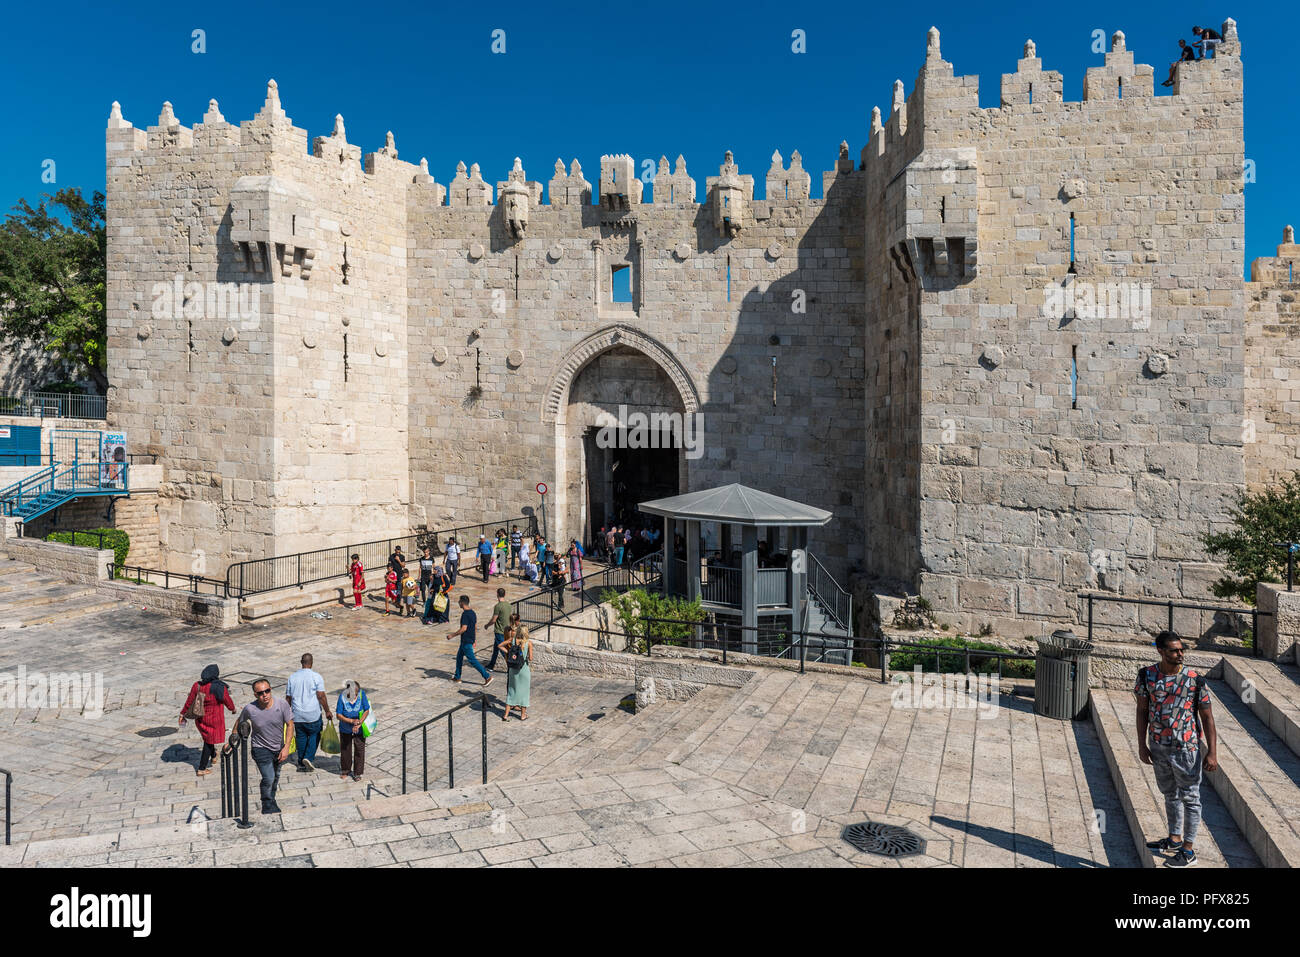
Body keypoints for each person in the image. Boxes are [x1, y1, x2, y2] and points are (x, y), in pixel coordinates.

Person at [1135, 631, 1219, 868]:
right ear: (1160, 651)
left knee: (1191, 797)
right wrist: (1142, 745)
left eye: (1182, 650)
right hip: (1159, 746)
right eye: (1174, 650)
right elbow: (1142, 711)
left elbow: (1208, 718)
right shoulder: (1147, 676)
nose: (1180, 654)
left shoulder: (1195, 680)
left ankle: (1189, 850)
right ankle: (1174, 838)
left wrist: (1212, 752)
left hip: (1187, 749)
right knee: (1169, 794)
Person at [235, 679, 294, 815]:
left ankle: (271, 800)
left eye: (267, 691)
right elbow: (240, 721)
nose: (265, 695)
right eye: (261, 693)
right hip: (260, 747)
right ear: (255, 695)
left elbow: (290, 724)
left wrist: (286, 747)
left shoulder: (282, 704)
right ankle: (266, 803)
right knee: (269, 777)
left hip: (278, 747)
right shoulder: (250, 709)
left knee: (276, 776)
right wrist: (232, 738)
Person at [179, 664, 236, 776]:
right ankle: (201, 768)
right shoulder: (220, 687)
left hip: (201, 719)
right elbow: (227, 700)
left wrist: (182, 713)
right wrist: (232, 709)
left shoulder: (197, 686)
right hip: (215, 719)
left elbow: (189, 701)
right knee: (208, 742)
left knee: (209, 738)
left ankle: (214, 755)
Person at [285, 653, 333, 773]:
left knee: (301, 737)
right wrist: (327, 711)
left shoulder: (292, 677)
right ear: (311, 663)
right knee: (314, 735)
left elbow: (288, 698)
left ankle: (301, 763)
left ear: (301, 662)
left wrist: (286, 713)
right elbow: (321, 696)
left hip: (297, 715)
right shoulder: (316, 677)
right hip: (313, 714)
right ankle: (308, 757)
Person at [447, 595, 493, 685]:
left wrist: (452, 635)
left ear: (462, 603)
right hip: (467, 640)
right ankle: (457, 677)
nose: (458, 603)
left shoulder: (465, 614)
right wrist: (474, 640)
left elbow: (464, 628)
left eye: (459, 601)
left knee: (473, 660)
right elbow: (475, 627)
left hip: (466, 641)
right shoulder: (473, 613)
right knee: (459, 658)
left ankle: (487, 676)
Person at [335, 679, 371, 782]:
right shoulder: (342, 697)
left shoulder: (361, 694)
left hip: (359, 727)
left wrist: (359, 722)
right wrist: (351, 721)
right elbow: (338, 715)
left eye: (355, 694)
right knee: (346, 749)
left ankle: (357, 773)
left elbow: (366, 710)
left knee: (359, 749)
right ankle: (346, 770)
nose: (354, 696)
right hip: (345, 727)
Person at [501, 624, 532, 721]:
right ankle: (523, 715)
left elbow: (500, 645)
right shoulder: (528, 643)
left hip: (513, 670)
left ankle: (505, 715)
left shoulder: (512, 640)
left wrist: (508, 652)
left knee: (511, 691)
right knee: (524, 692)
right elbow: (530, 658)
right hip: (524, 670)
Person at [485, 587, 513, 671]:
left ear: (497, 594)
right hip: (507, 631)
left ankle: (510, 666)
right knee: (495, 649)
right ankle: (491, 665)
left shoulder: (498, 606)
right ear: (504, 594)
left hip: (499, 631)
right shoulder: (508, 605)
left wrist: (487, 625)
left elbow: (494, 620)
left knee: (502, 650)